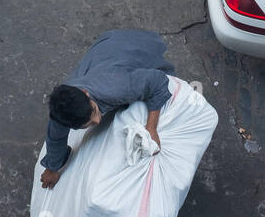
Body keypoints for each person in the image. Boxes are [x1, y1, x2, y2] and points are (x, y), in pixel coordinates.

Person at [39, 29, 176, 189]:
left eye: (95, 111)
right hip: (102, 55)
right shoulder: (62, 111)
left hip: (128, 46)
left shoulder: (116, 88)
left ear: (86, 93)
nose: (97, 120)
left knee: (155, 70)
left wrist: (151, 127)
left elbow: (157, 83)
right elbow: (56, 140)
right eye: (87, 124)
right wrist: (52, 168)